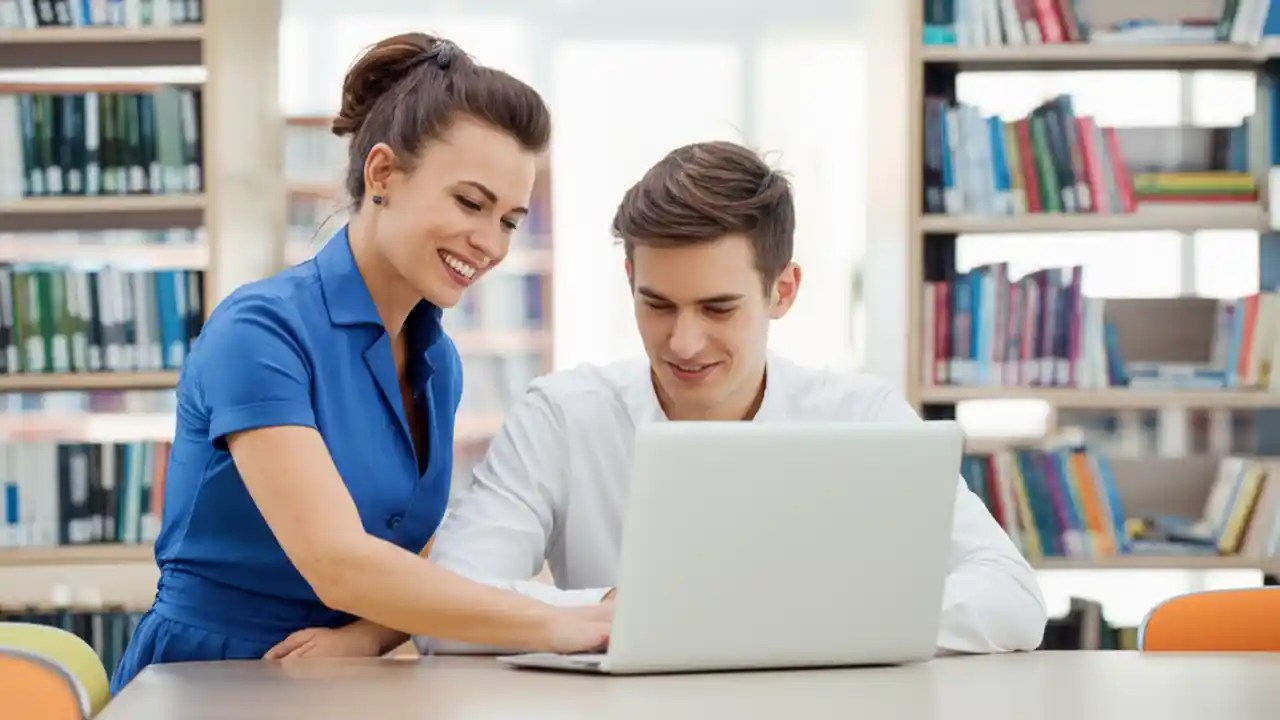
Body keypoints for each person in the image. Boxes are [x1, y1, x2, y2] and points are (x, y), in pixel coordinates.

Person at [275, 140, 1049, 659]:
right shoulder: (565, 415)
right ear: (630, 285)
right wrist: (620, 610)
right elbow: (452, 613)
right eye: (658, 305)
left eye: (717, 310)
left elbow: (1011, 598)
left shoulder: (862, 417)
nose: (682, 342)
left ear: (783, 292)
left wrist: (765, 621)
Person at [107, 32, 611, 694]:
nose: (489, 244)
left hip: (340, 676)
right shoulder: (259, 332)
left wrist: (367, 635)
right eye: (469, 203)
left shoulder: (438, 362)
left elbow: (411, 547)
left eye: (511, 221)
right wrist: (557, 622)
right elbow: (338, 562)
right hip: (208, 677)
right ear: (382, 175)